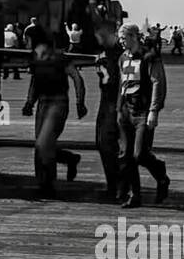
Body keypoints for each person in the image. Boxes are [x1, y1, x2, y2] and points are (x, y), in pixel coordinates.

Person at [22, 40, 87, 198]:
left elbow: (77, 78)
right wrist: (29, 102)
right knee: (41, 145)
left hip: (58, 103)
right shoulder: (37, 60)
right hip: (43, 104)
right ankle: (66, 162)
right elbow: (35, 82)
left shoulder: (61, 60)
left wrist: (80, 102)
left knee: (43, 143)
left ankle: (48, 184)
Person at [117, 22, 170, 208]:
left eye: (123, 38)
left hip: (143, 112)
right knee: (126, 155)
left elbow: (158, 82)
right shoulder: (123, 58)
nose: (121, 41)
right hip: (125, 111)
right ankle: (135, 195)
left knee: (140, 154)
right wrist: (118, 111)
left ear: (133, 37)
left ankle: (161, 175)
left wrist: (154, 111)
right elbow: (121, 84)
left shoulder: (149, 57)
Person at [92, 21, 124, 201]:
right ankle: (113, 183)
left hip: (115, 102)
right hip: (105, 101)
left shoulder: (119, 55)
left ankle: (119, 185)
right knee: (102, 143)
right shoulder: (103, 54)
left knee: (108, 143)